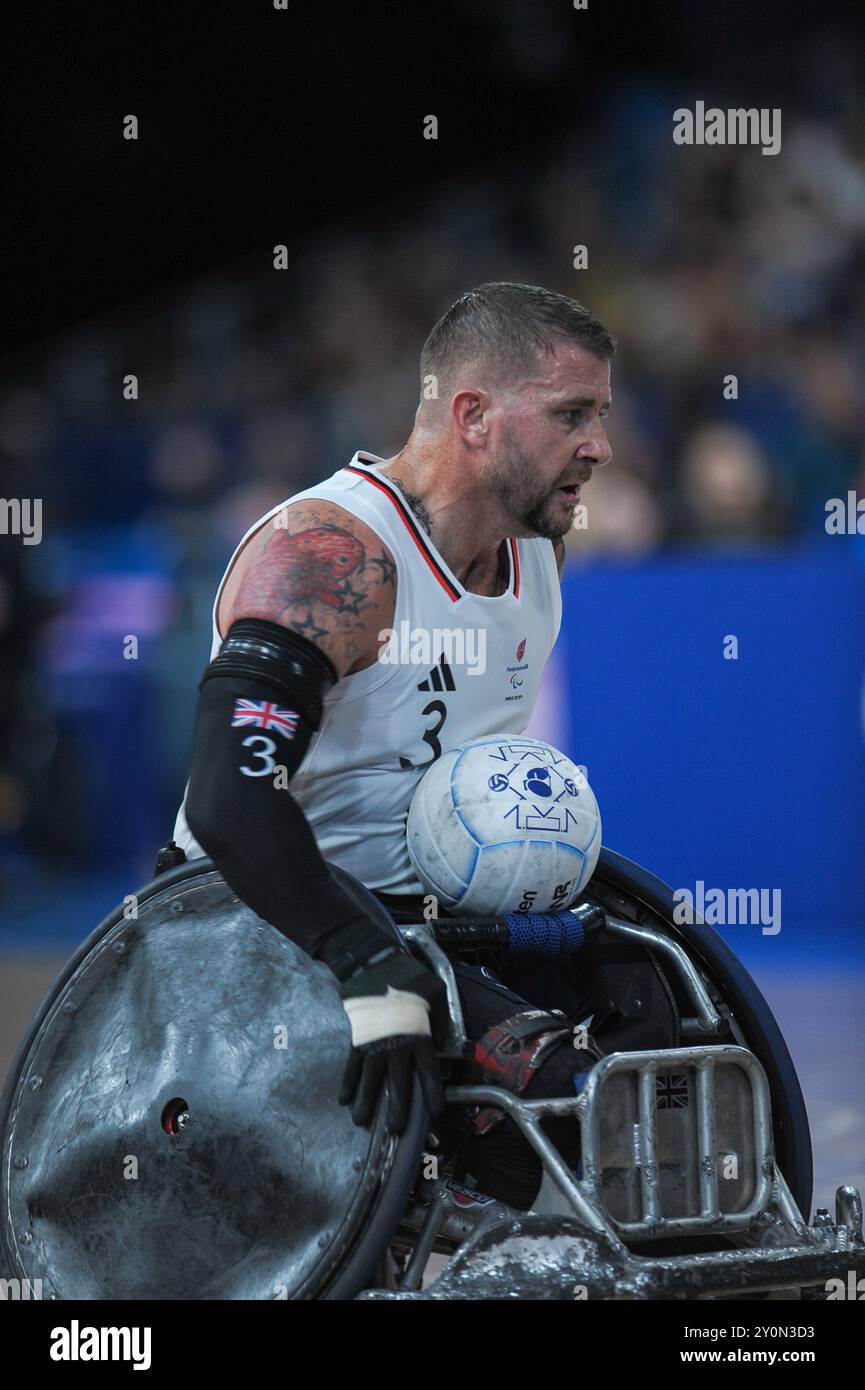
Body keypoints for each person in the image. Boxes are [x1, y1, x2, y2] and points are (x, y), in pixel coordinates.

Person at [173, 281, 616, 1209]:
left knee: (653, 1045)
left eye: (600, 416)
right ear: (474, 415)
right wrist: (365, 960)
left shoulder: (537, 547)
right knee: (561, 1095)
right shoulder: (330, 553)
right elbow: (229, 796)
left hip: (439, 913)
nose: (599, 448)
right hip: (272, 920)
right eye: (572, 414)